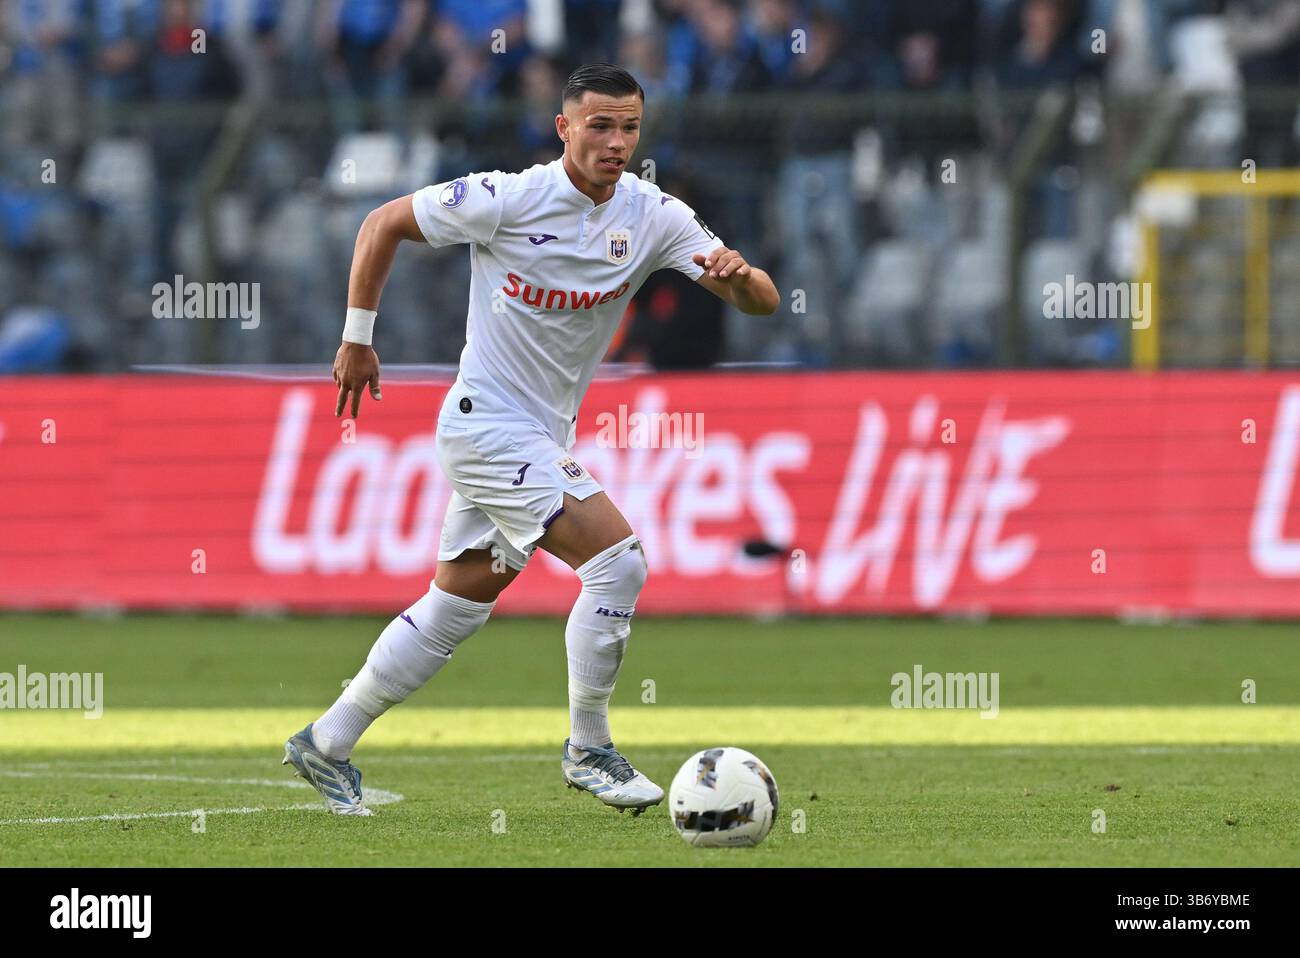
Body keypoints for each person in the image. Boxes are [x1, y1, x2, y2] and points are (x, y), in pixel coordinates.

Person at [282, 63, 780, 816]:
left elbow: (763, 301)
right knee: (618, 563)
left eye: (630, 128)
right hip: (486, 424)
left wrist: (740, 279)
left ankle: (328, 740)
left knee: (456, 607)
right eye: (601, 126)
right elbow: (380, 223)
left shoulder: (654, 216)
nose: (617, 143)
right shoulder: (507, 198)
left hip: (540, 433)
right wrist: (357, 338)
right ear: (564, 128)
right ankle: (589, 747)